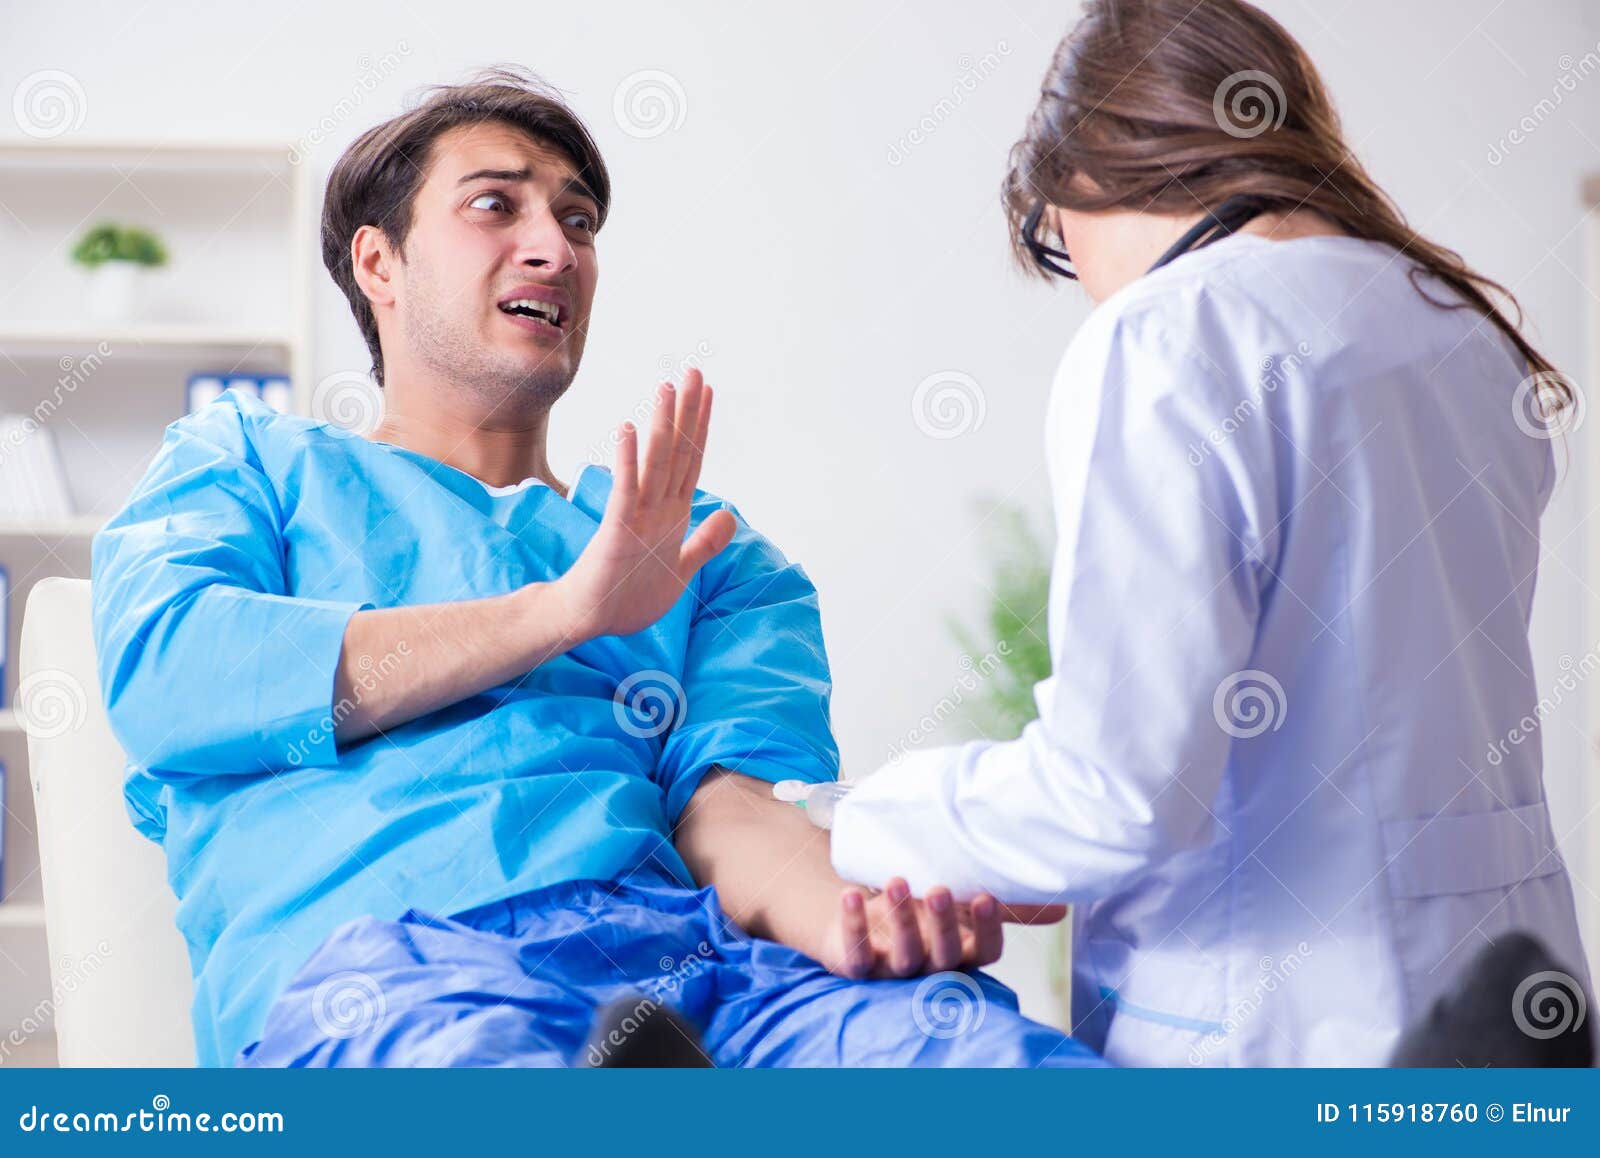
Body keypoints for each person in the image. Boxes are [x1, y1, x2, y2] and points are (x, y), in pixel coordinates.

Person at [90, 67, 1094, 1069]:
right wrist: (563, 613)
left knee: (979, 1058)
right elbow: (175, 677)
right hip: (388, 978)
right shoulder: (246, 464)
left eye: (577, 221)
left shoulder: (708, 551)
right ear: (378, 263)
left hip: (704, 973)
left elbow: (732, 805)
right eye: (496, 204)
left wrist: (845, 916)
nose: (553, 248)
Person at [827, 0, 1594, 1067]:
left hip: (1288, 1039)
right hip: (1516, 1007)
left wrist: (859, 819)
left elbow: (1118, 797)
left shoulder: (1168, 334)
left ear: (1080, 184)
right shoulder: (1453, 326)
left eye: (1056, 249)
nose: (1083, 285)